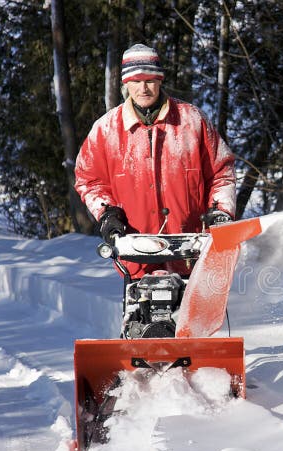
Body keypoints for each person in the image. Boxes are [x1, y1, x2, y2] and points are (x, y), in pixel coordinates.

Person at [74, 43, 236, 278]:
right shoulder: (106, 129)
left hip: (191, 251)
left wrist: (220, 211)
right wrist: (107, 213)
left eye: (150, 80)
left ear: (160, 80)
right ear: (126, 83)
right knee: (141, 314)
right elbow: (89, 180)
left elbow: (221, 171)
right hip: (136, 252)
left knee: (195, 316)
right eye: (136, 81)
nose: (143, 88)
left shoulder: (192, 121)